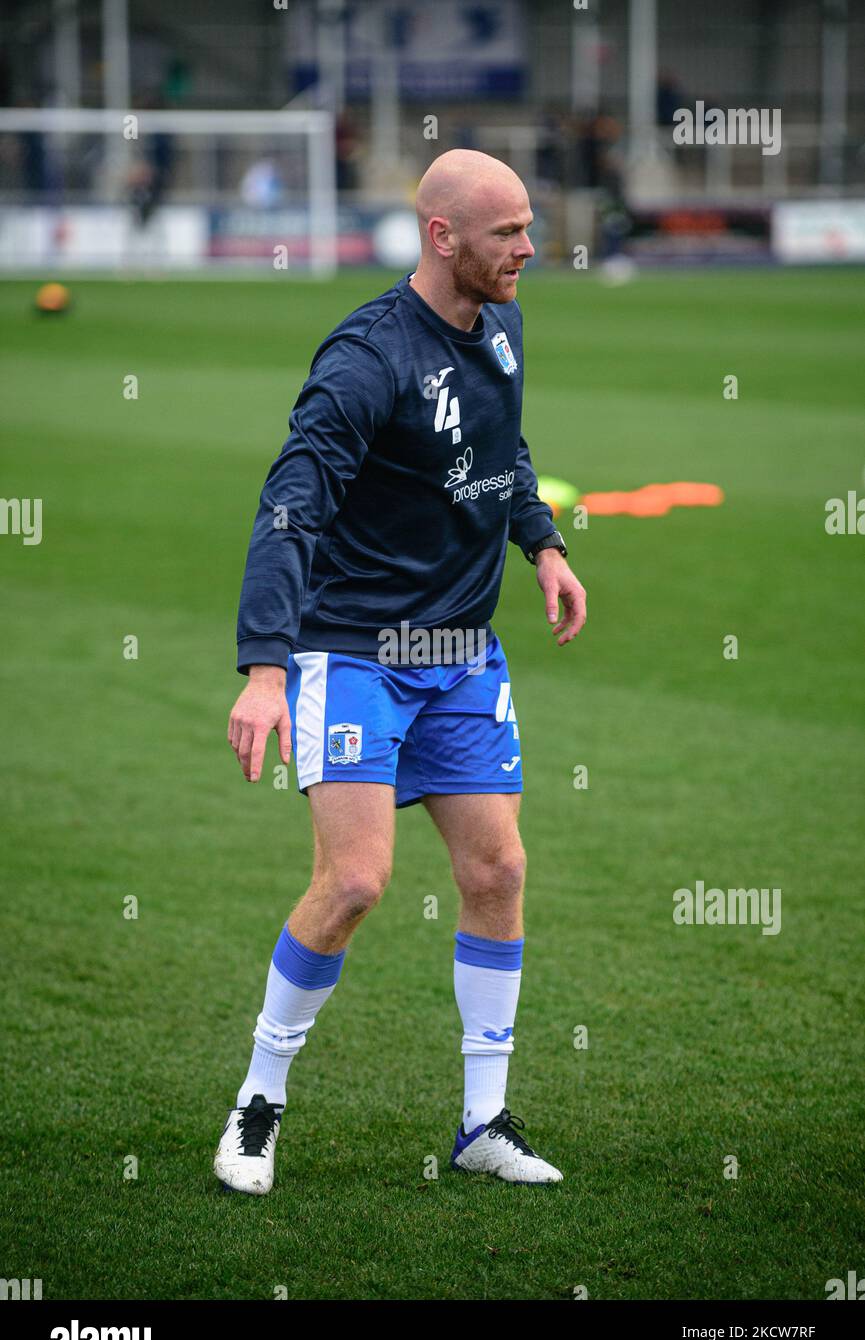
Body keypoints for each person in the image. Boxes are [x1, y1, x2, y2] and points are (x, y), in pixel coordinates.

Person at [215, 149, 587, 1195]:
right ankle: (258, 1105)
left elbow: (504, 453)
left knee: (497, 872)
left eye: (527, 226)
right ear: (441, 238)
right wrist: (264, 666)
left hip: (461, 650)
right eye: (507, 232)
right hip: (354, 649)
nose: (528, 248)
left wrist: (543, 546)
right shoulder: (366, 358)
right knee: (354, 883)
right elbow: (291, 502)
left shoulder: (504, 326)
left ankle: (482, 1122)